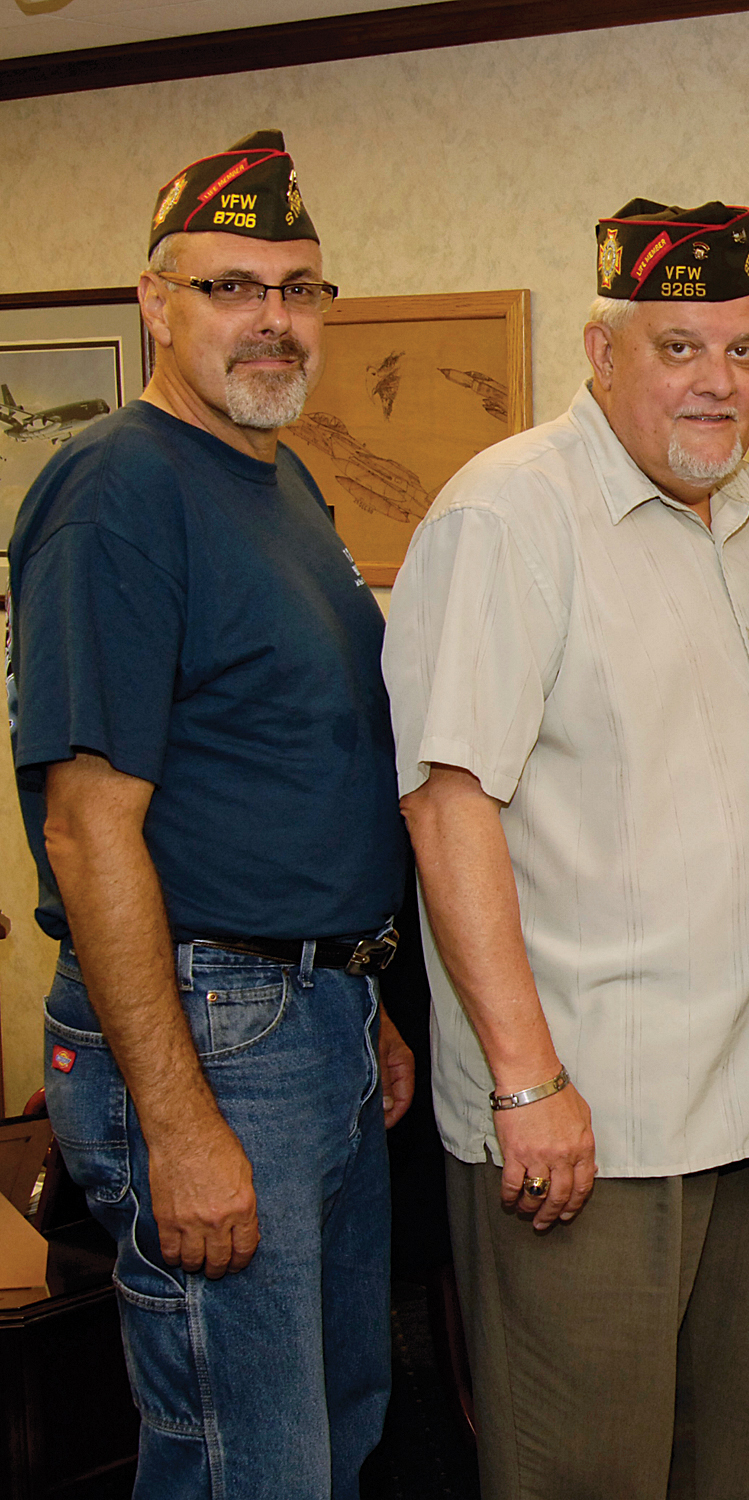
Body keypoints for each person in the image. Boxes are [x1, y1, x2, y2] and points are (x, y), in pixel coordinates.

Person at [382, 198, 749, 1500]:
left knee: (743, 1474)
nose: (721, 382)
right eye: (681, 346)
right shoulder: (511, 516)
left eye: (747, 349)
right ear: (601, 352)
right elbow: (446, 804)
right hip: (595, 1132)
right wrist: (530, 1085)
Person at [12, 129, 415, 1497]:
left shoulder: (275, 472)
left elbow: (298, 761)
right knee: (250, 1461)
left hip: (314, 1016)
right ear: (154, 300)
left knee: (338, 1422)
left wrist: (366, 1005)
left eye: (300, 289)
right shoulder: (117, 492)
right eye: (234, 287)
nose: (272, 320)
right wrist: (179, 1123)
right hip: (207, 1028)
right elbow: (85, 827)